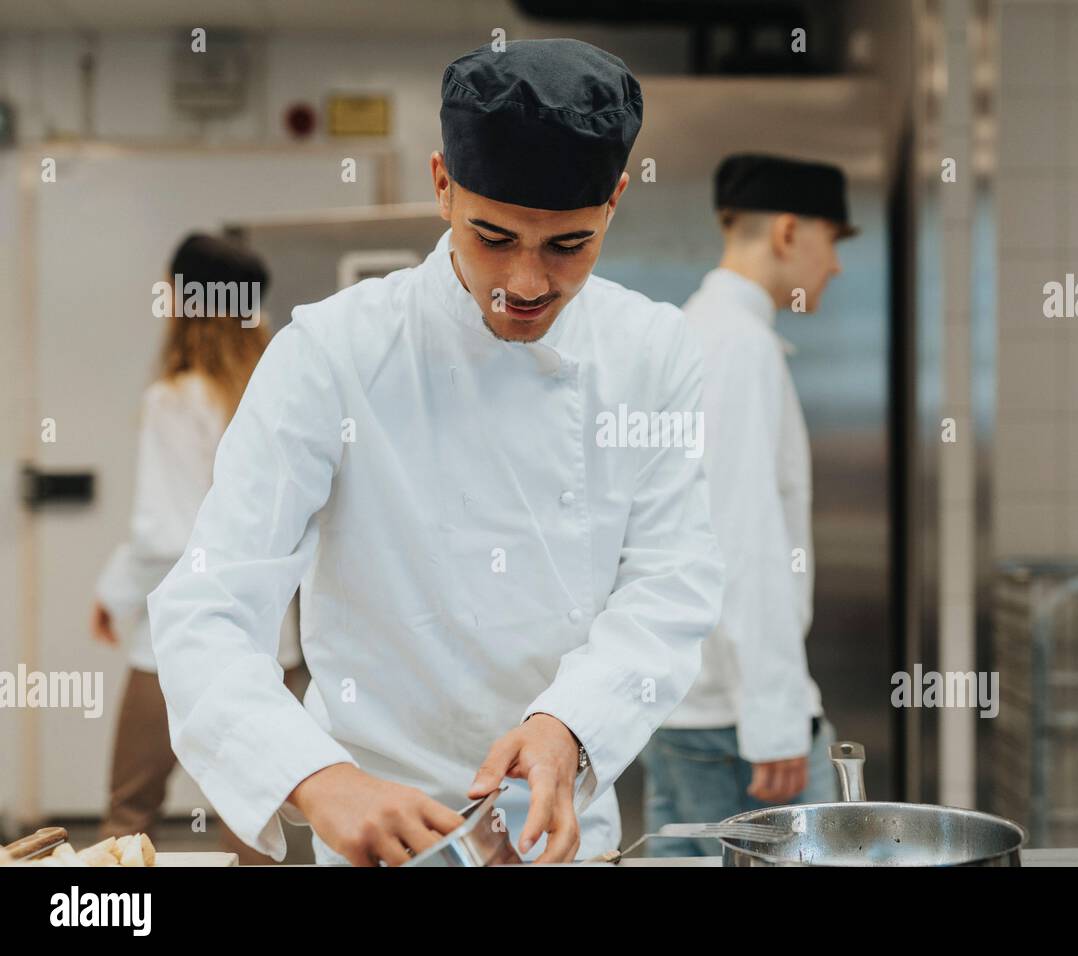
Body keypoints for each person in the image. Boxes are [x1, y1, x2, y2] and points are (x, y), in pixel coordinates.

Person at [147, 38, 724, 866]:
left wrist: (567, 725)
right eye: (494, 236)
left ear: (616, 204)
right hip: (376, 833)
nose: (525, 283)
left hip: (561, 836)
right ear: (442, 185)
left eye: (568, 246)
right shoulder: (334, 353)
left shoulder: (653, 351)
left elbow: (671, 583)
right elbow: (205, 608)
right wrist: (317, 777)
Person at [641, 153, 855, 856]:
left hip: (691, 707)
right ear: (789, 232)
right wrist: (774, 720)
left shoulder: (694, 333)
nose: (837, 266)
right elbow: (743, 538)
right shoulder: (739, 348)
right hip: (735, 723)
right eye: (834, 240)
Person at [92, 233, 302, 861]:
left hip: (176, 643)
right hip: (270, 641)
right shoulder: (279, 393)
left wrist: (112, 592)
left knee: (128, 817)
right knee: (254, 819)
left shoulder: (174, 399)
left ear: (189, 299)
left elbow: (165, 534)